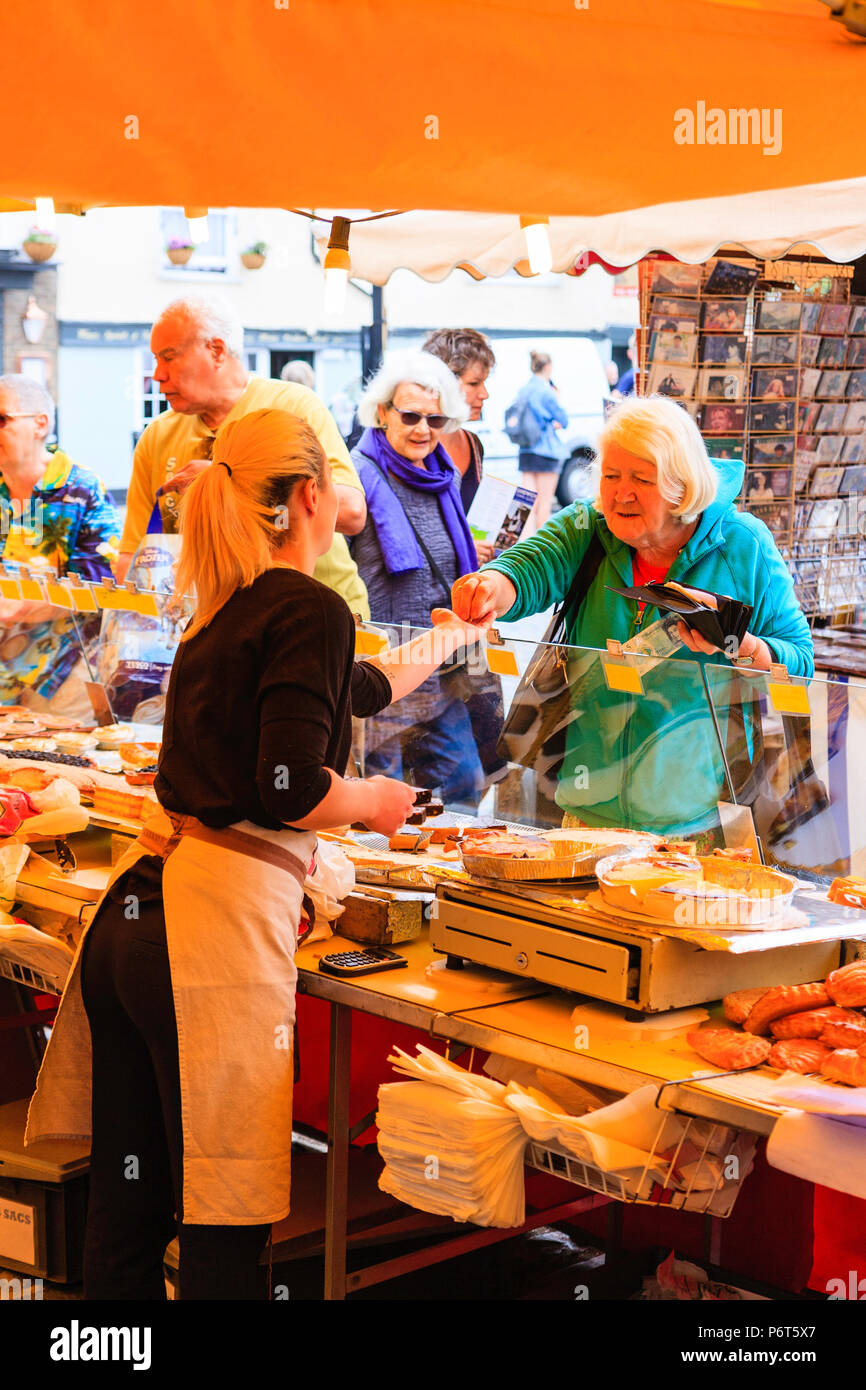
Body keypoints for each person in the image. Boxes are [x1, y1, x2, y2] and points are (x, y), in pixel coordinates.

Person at [25, 408, 488, 1300]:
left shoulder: (228, 602)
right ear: (311, 494)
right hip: (205, 936)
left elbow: (353, 688)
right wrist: (374, 803)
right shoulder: (307, 605)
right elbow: (289, 786)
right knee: (222, 1211)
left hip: (135, 921)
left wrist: (449, 638)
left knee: (131, 1199)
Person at [451, 394, 814, 838]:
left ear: (682, 486)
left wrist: (737, 642)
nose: (621, 493)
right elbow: (528, 567)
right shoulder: (586, 527)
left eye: (641, 479)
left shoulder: (743, 544)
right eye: (610, 475)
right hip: (583, 813)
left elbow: (799, 662)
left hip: (694, 821)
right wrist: (489, 586)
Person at [117, 296, 370, 617]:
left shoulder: (293, 407)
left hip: (318, 619)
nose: (157, 375)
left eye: (168, 357)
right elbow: (133, 554)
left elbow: (351, 513)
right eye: (155, 359)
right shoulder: (156, 437)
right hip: (217, 633)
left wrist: (228, 482)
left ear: (217, 351)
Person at [348, 350, 488, 802]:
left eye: (435, 419)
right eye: (410, 416)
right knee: (378, 796)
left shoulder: (442, 476)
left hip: (441, 669)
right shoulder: (357, 475)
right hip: (383, 672)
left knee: (464, 781)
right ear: (382, 412)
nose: (423, 430)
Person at [0, 375, 119, 713]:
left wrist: (19, 606)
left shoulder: (82, 488)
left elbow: (100, 585)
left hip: (64, 673)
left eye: (1, 419)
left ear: (40, 424)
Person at [422, 327, 496, 535]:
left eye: (484, 383)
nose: (485, 394)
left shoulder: (473, 443)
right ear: (442, 384)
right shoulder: (415, 444)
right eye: (474, 383)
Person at [515, 350, 569, 533]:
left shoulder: (523, 389)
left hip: (526, 450)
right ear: (548, 367)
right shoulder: (546, 392)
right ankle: (538, 545)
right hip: (546, 451)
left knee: (527, 501)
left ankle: (523, 540)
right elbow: (564, 420)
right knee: (545, 501)